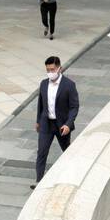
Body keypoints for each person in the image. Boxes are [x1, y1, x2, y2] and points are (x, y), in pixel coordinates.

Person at [32, 56, 79, 186]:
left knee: (67, 151)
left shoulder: (69, 85)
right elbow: (40, 104)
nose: (50, 72)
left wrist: (68, 124)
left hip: (62, 126)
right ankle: (39, 181)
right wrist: (38, 121)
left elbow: (74, 107)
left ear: (59, 68)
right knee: (41, 152)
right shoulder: (43, 83)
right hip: (46, 124)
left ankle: (73, 176)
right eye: (48, 70)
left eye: (52, 69)